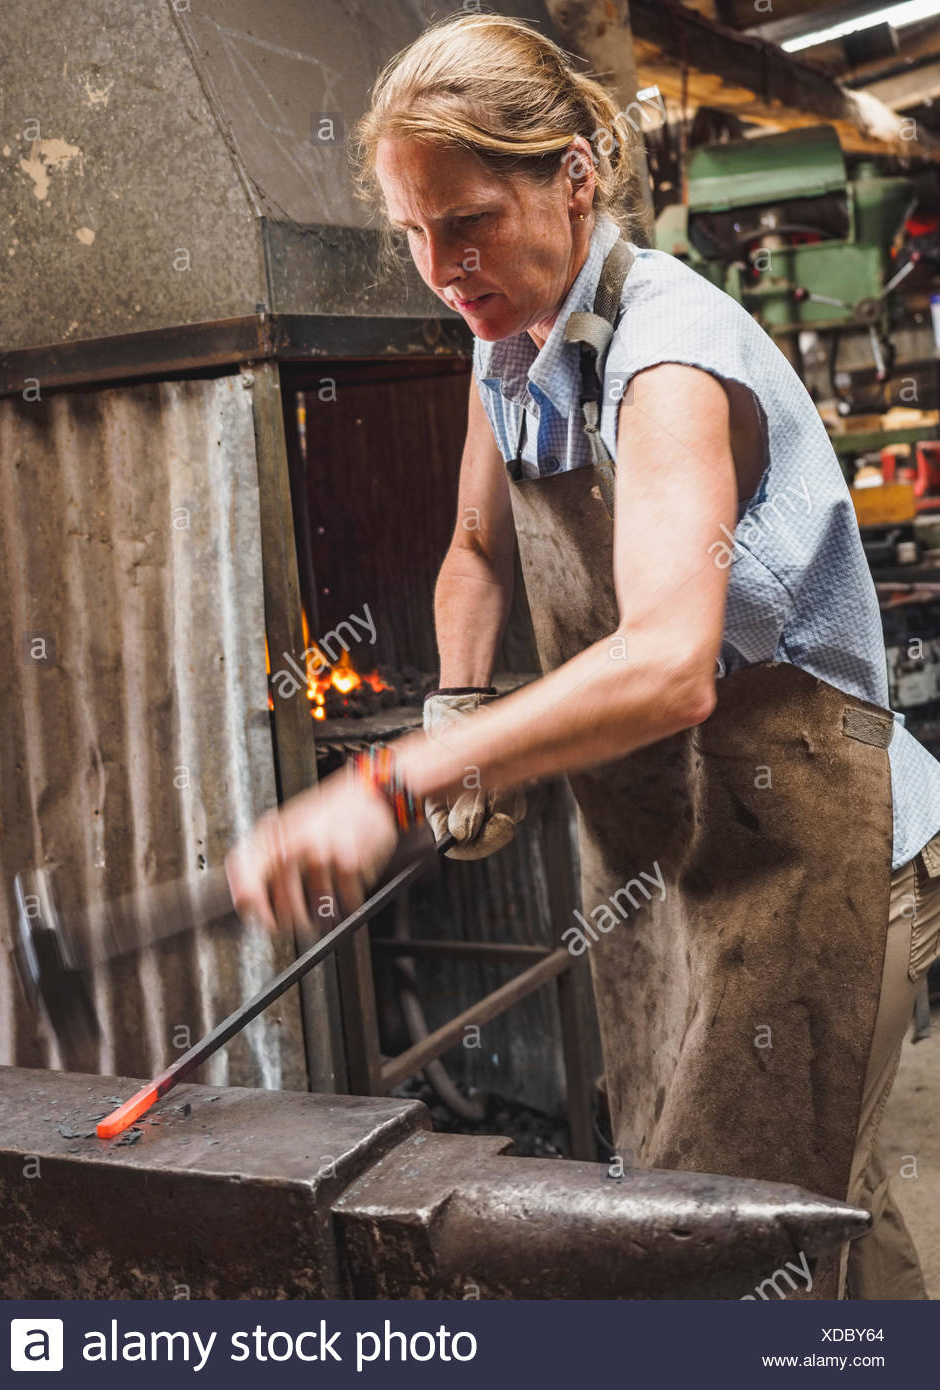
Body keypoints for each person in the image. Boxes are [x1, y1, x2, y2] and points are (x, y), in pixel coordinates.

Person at [225, 12, 940, 1298]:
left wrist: (389, 782)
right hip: (677, 852)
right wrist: (453, 719)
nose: (441, 268)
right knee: (809, 1209)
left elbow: (671, 662)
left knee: (738, 1236)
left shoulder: (667, 355)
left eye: (467, 224)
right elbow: (475, 551)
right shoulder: (505, 346)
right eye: (411, 234)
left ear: (575, 173)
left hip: (827, 840)